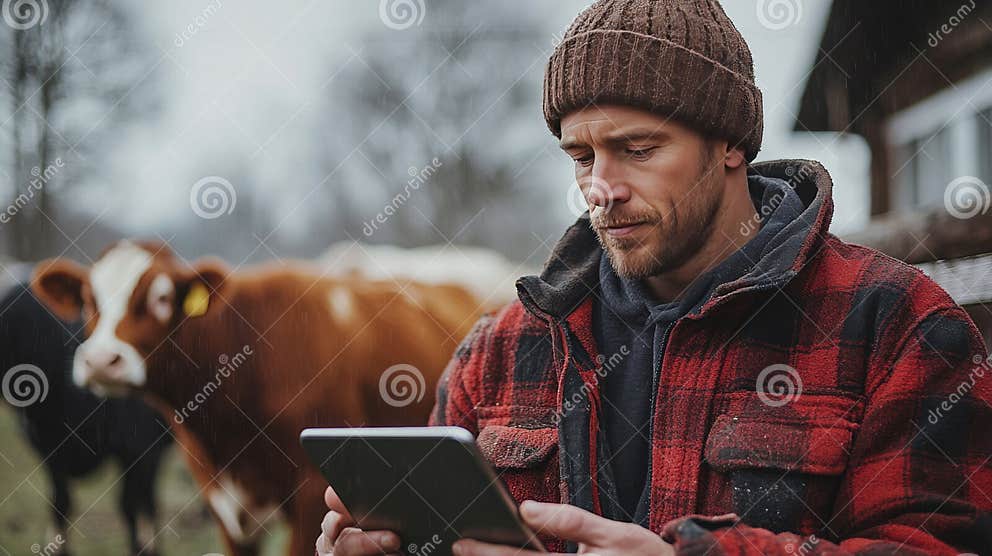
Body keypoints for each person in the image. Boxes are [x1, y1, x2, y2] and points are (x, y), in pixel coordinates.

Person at [317, 0, 992, 554]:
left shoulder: (898, 327)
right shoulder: (499, 352)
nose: (600, 188)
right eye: (581, 157)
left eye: (636, 150)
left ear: (730, 142)